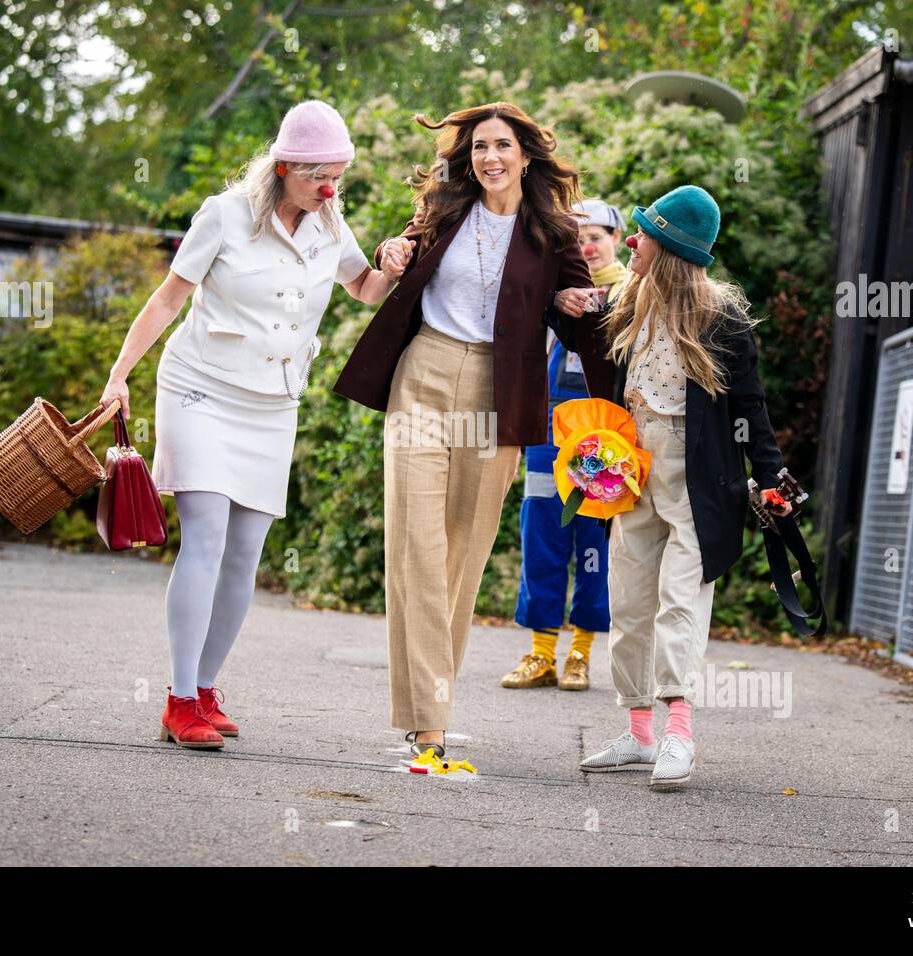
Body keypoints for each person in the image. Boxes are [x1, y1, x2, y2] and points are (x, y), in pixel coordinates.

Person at [99, 101, 407, 750]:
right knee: (206, 537)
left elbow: (366, 289)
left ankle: (206, 685)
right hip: (201, 390)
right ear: (285, 167)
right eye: (319, 176)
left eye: (338, 177)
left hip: (273, 403)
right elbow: (168, 299)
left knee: (244, 554)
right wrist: (119, 374)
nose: (330, 189)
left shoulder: (330, 222)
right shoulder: (226, 215)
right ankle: (179, 699)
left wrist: (398, 263)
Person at [332, 102, 603, 760]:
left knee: (461, 555)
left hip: (500, 390)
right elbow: (400, 256)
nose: (489, 158)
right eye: (479, 146)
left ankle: (431, 703)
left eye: (502, 146)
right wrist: (392, 250)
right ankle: (430, 720)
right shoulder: (444, 208)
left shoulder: (554, 231)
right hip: (424, 372)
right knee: (417, 546)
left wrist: (570, 304)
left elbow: (574, 309)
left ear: (526, 154)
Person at [547, 185, 794, 789]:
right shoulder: (624, 302)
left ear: (671, 250)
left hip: (700, 476)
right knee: (628, 601)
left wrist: (772, 476)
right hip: (632, 469)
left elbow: (750, 408)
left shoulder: (721, 319)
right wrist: (560, 298)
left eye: (643, 236)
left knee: (680, 601)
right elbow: (565, 319)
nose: (630, 241)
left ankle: (679, 733)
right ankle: (638, 734)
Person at [501, 199, 629, 692]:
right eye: (577, 238)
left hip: (605, 439)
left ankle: (580, 654)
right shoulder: (552, 293)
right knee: (541, 539)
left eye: (595, 236)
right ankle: (540, 655)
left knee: (595, 546)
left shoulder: (630, 295)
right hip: (546, 438)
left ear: (616, 239)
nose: (587, 246)